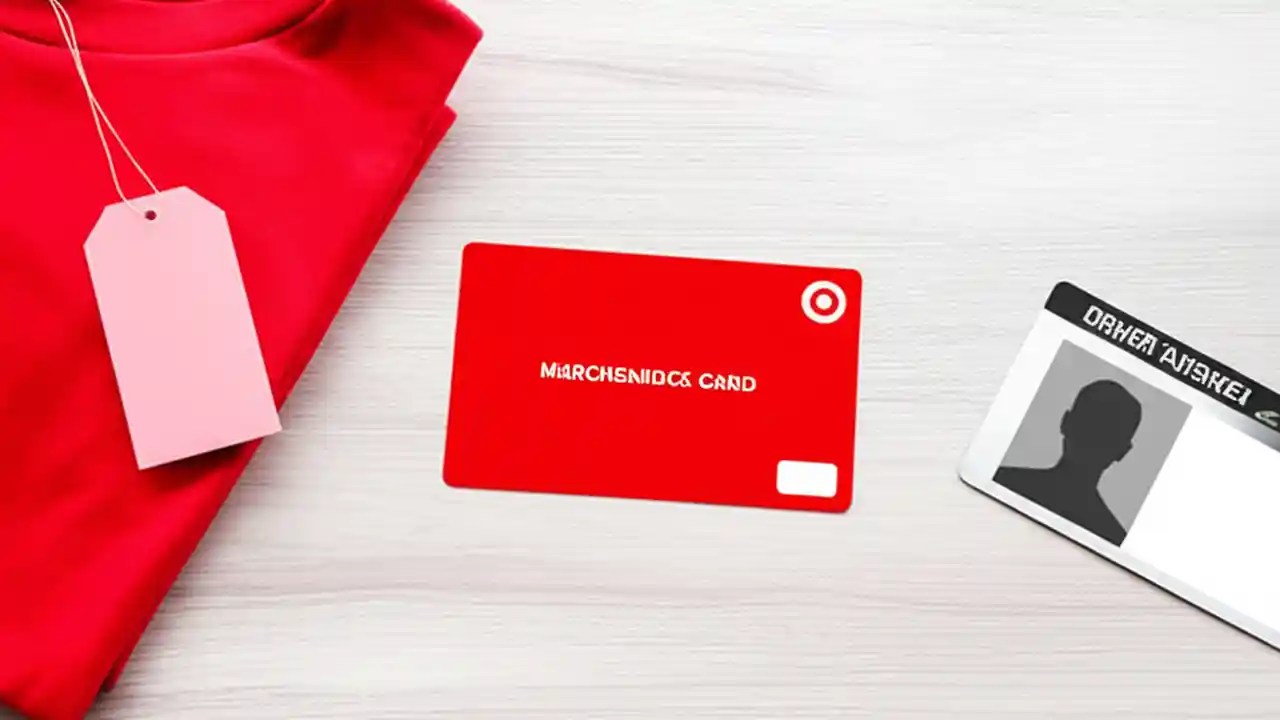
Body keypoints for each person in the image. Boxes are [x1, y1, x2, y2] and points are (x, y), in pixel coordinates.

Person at [995, 379, 1141, 545]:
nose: (1092, 441)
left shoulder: (1003, 481)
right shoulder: (1112, 538)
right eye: (1090, 425)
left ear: (1066, 422)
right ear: (1123, 451)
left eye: (1105, 433)